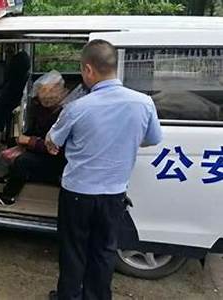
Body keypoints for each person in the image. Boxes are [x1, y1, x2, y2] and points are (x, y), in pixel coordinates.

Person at [45, 40, 162, 300]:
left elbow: (52, 142)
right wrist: (124, 140)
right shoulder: (144, 103)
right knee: (104, 251)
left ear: (88, 70)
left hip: (77, 193)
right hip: (114, 194)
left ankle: (69, 296)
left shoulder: (76, 108)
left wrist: (53, 144)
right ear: (114, 66)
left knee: (73, 251)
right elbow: (153, 138)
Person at [0, 71, 68, 206]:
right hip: (45, 147)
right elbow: (37, 129)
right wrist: (22, 139)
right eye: (42, 93)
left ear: (59, 91)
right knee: (13, 141)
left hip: (58, 158)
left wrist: (30, 141)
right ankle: (13, 175)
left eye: (49, 93)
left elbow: (57, 146)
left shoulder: (65, 112)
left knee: (23, 161)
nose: (44, 97)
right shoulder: (43, 108)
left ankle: (8, 197)